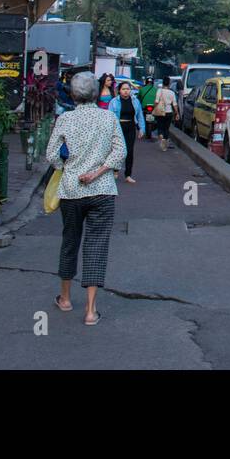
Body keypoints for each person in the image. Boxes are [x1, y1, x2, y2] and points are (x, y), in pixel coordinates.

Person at [46, 70, 126, 326]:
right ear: (95, 93)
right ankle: (91, 311)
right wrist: (98, 172)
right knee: (96, 246)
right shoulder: (108, 118)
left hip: (71, 190)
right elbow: (119, 152)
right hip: (102, 191)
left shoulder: (65, 119)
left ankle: (66, 298)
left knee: (70, 240)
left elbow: (52, 155)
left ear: (73, 94)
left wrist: (67, 168)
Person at [107, 81, 146, 184]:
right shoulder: (114, 102)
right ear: (119, 90)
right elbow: (109, 117)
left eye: (128, 89)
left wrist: (142, 129)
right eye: (123, 89)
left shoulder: (135, 101)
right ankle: (115, 170)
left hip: (131, 127)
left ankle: (128, 175)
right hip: (118, 128)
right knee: (118, 151)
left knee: (129, 151)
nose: (126, 91)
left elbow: (140, 115)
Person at [152, 75, 177, 151]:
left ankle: (161, 136)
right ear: (169, 84)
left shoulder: (159, 91)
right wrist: (177, 113)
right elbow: (175, 104)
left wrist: (154, 108)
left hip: (160, 112)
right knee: (166, 128)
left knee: (160, 126)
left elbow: (156, 102)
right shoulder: (172, 93)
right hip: (169, 112)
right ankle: (164, 145)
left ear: (163, 83)